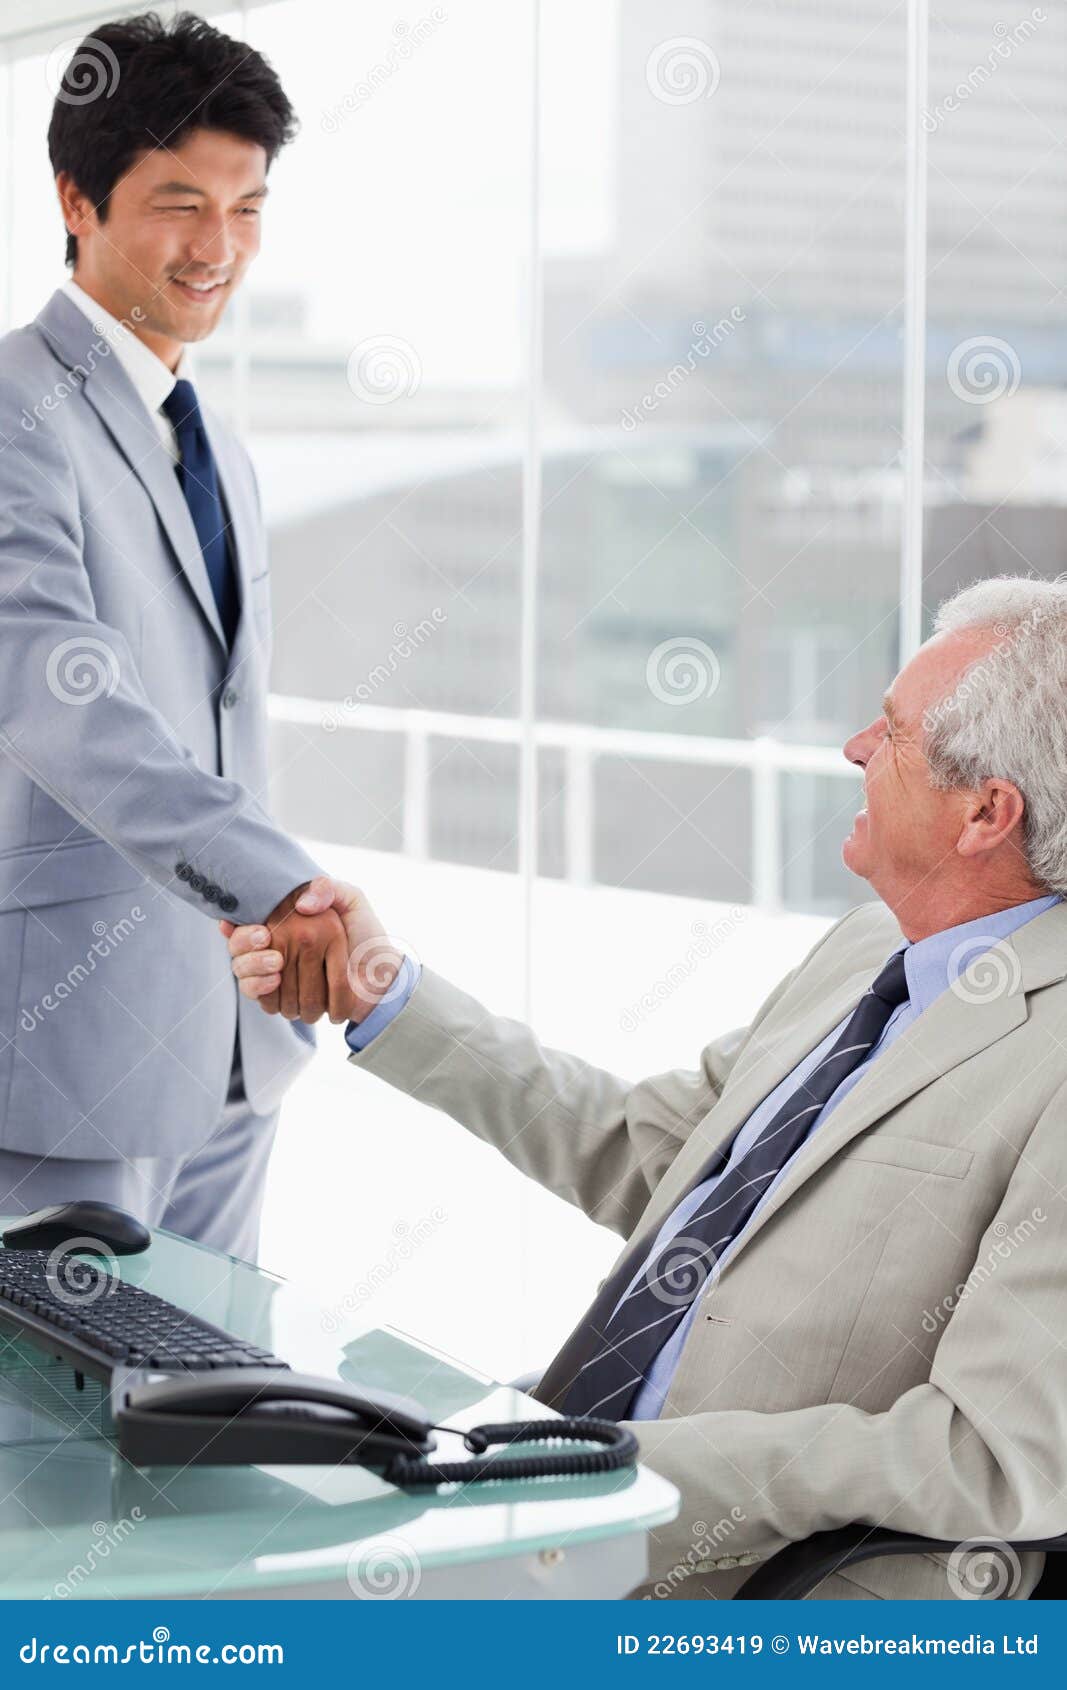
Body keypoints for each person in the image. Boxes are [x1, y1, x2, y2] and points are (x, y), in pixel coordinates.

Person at [224, 575, 1067, 1599]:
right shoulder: (865, 948)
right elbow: (648, 1153)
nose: (851, 748)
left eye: (887, 735)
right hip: (546, 1484)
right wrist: (379, 992)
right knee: (213, 1533)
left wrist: (626, 1470)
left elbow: (994, 1455)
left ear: (985, 811)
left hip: (717, 1571)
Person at [0, 13, 358, 1258]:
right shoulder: (12, 413)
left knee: (212, 1417)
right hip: (68, 1046)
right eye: (178, 204)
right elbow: (59, 701)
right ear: (75, 200)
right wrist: (277, 879)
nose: (219, 249)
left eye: (248, 207)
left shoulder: (216, 446)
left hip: (236, 1039)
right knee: (51, 1438)